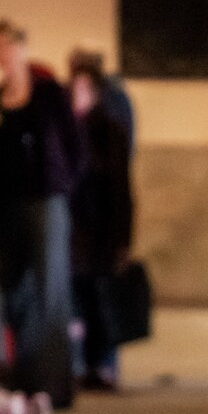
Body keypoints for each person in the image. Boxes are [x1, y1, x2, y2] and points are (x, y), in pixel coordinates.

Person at [0, 18, 84, 408]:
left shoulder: (50, 94)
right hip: (4, 203)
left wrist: (63, 187)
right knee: (15, 288)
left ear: (21, 47)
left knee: (50, 287)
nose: (1, 55)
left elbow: (75, 146)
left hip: (45, 199)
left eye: (6, 46)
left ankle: (54, 383)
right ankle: (24, 374)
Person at [65, 49, 136, 391]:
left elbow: (121, 187)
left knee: (101, 298)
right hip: (73, 227)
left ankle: (103, 365)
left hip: (101, 227)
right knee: (75, 299)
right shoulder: (65, 128)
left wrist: (124, 237)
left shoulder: (111, 130)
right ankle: (79, 364)